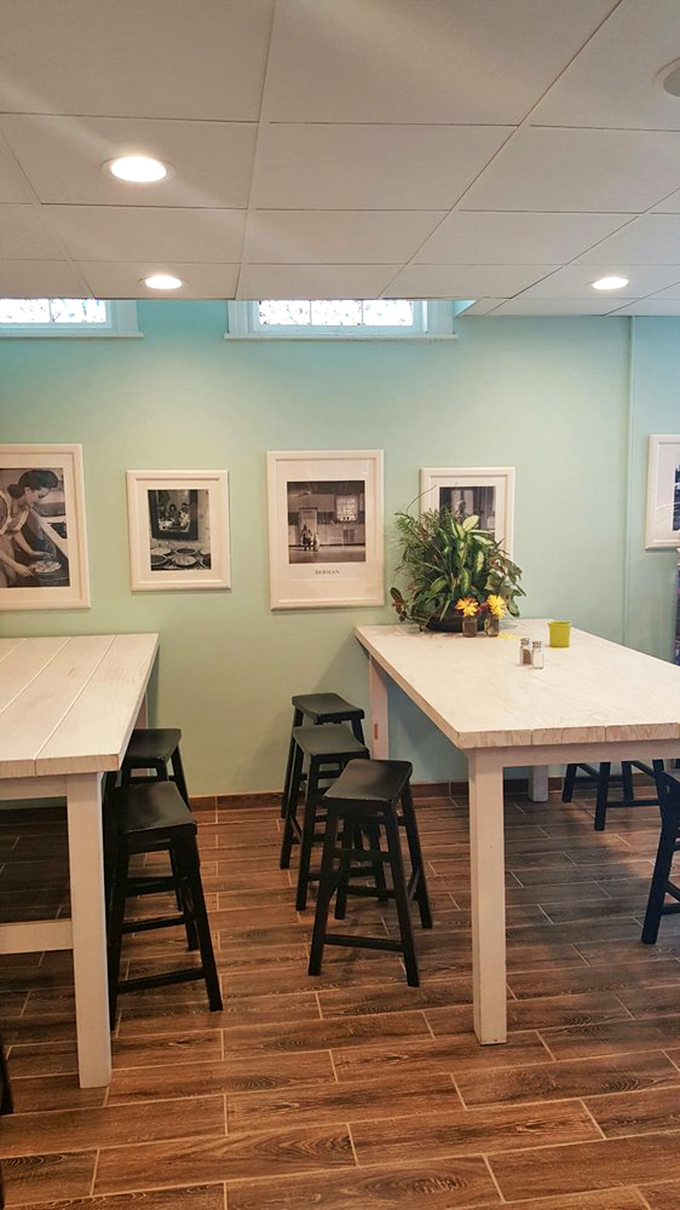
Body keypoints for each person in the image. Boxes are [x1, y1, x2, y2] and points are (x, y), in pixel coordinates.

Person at [0, 469, 58, 587]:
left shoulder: (24, 506)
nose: (40, 501)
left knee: (11, 577)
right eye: (40, 496)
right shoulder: (2, 504)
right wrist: (15, 565)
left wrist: (30, 552)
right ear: (27, 490)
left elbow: (14, 530)